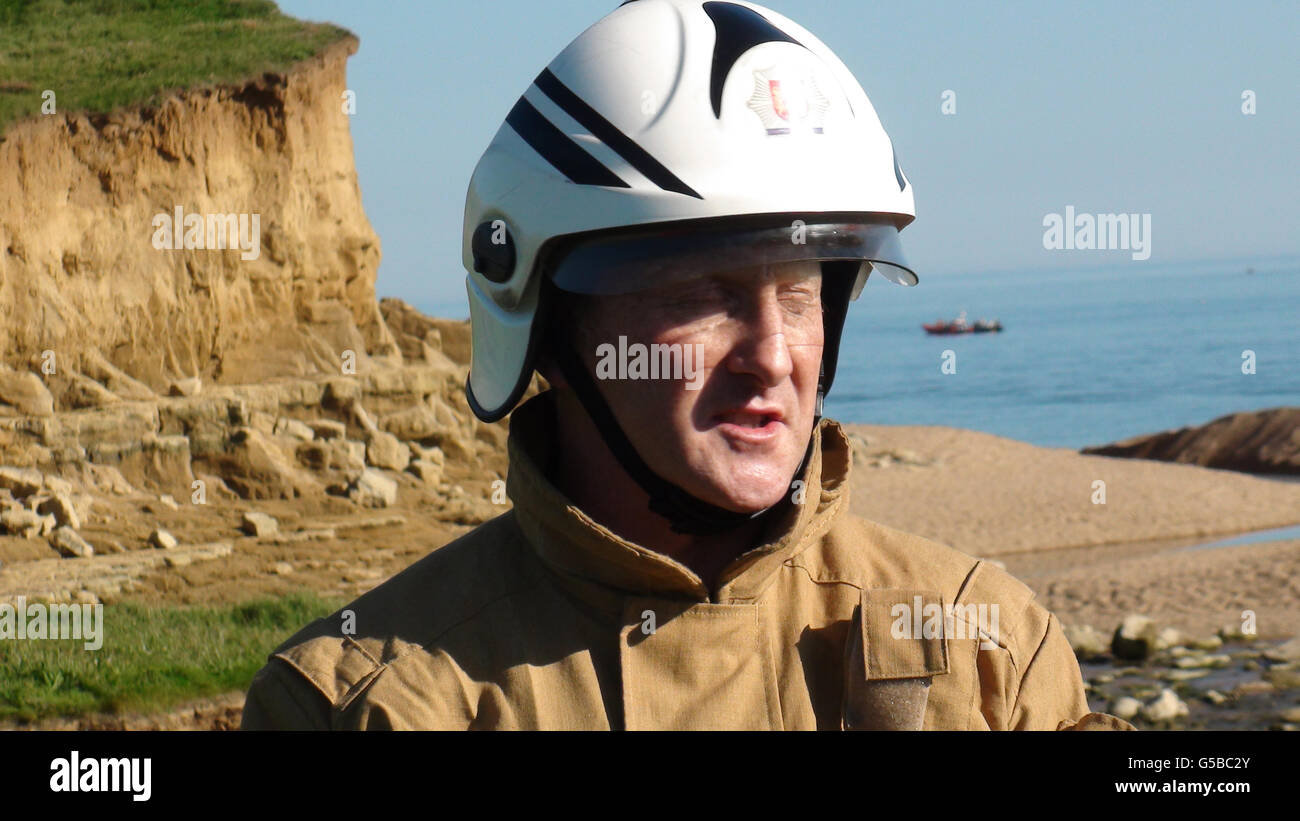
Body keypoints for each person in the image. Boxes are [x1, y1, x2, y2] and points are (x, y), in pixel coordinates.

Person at [241, 0, 1131, 730]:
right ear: (553, 321)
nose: (774, 357)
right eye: (699, 295)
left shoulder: (988, 650)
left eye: (800, 291)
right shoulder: (370, 703)